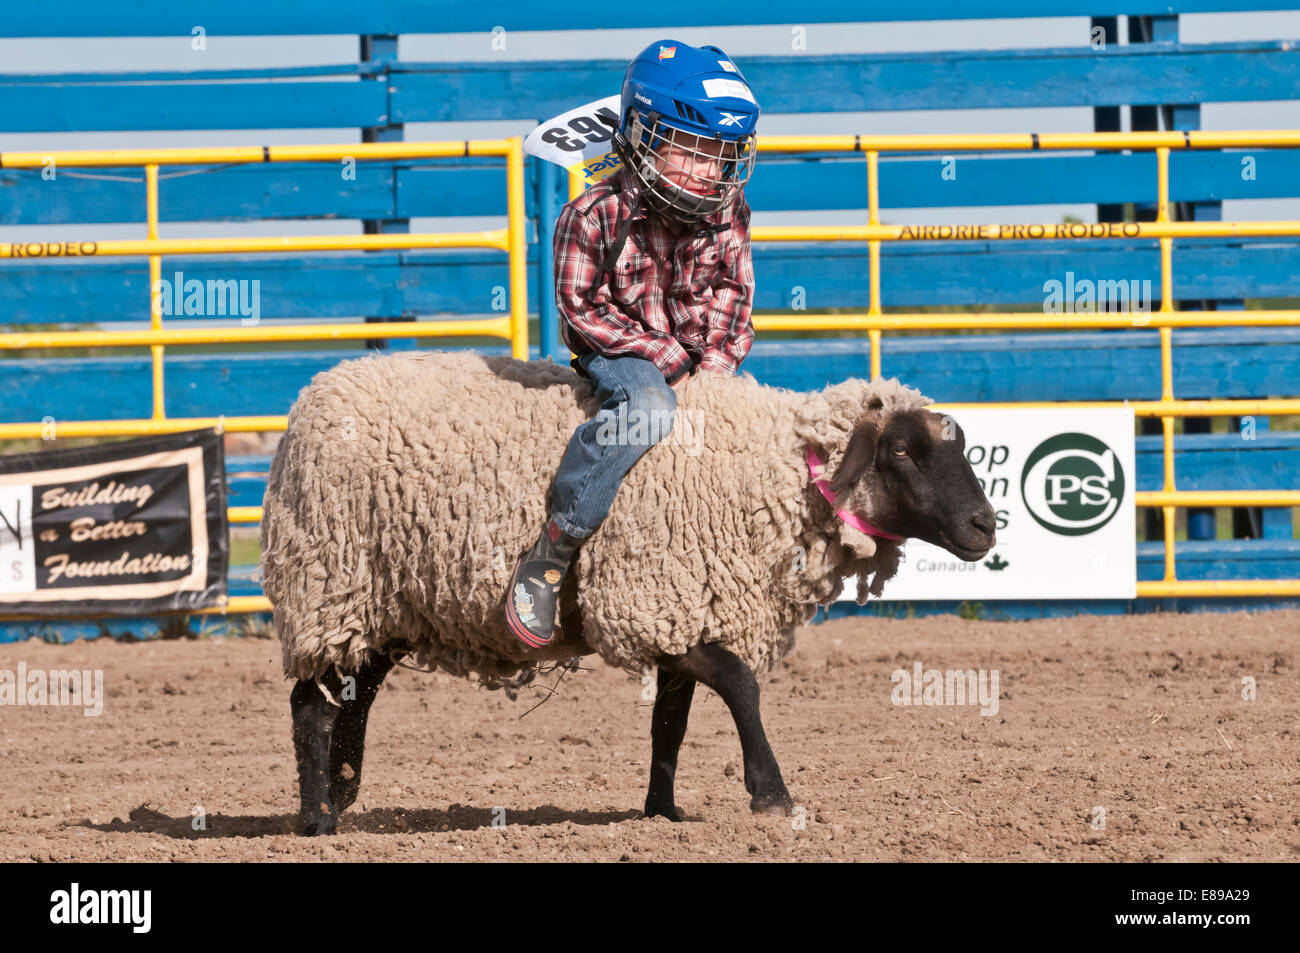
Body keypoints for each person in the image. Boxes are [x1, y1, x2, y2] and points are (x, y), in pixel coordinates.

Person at [504, 39, 761, 648]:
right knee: (648, 412)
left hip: (701, 356)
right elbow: (580, 309)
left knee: (745, 432)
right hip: (621, 352)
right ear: (644, 137)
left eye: (719, 156)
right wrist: (669, 361)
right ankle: (552, 550)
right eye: (690, 152)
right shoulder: (594, 214)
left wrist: (715, 369)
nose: (707, 170)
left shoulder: (728, 212)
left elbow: (733, 297)